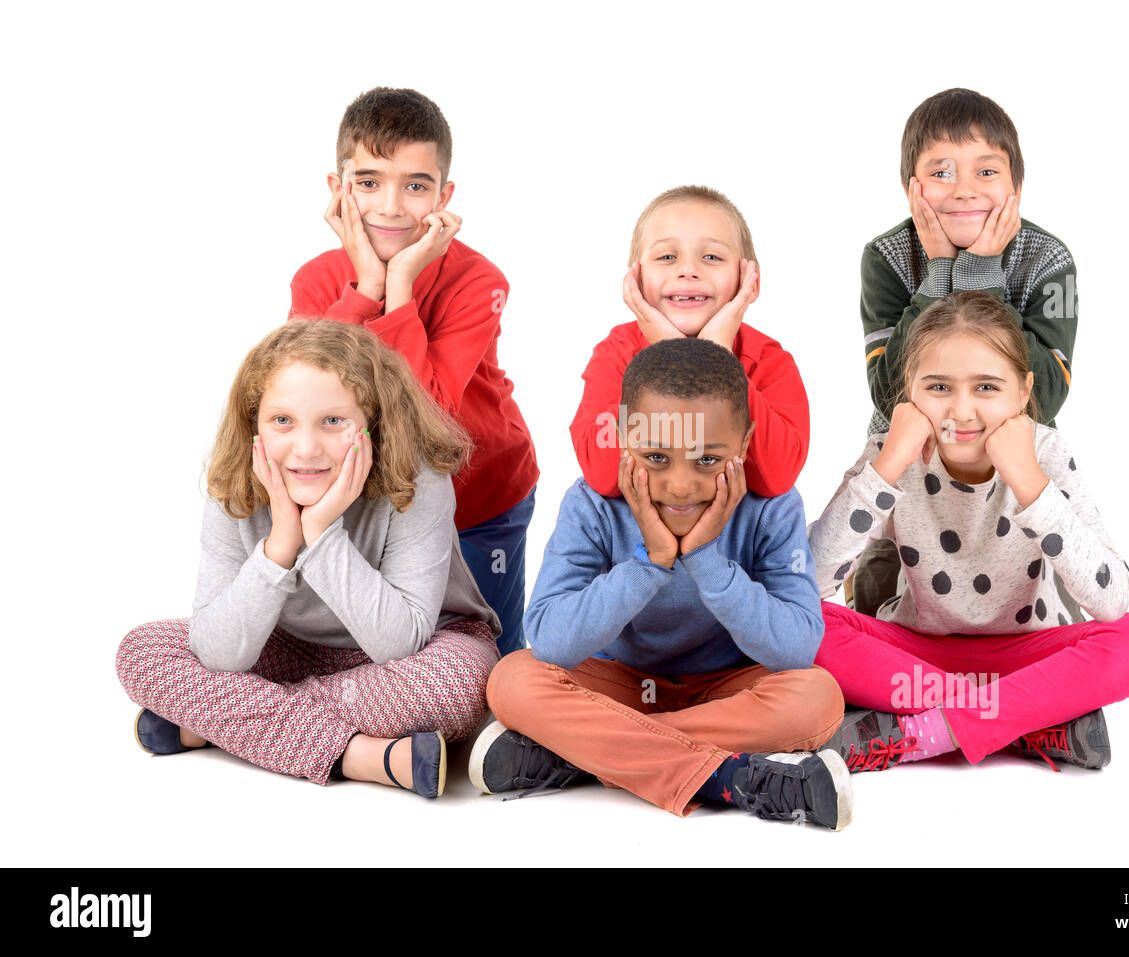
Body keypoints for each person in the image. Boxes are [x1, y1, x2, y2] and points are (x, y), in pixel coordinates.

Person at [473, 338, 852, 829]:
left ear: (743, 445)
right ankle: (725, 777)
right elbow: (548, 638)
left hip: (727, 690)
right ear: (623, 438)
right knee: (512, 680)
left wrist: (706, 560)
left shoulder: (772, 507)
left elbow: (796, 647)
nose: (680, 485)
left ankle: (580, 754)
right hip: (621, 683)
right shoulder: (592, 504)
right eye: (655, 456)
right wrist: (648, 564)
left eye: (707, 460)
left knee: (817, 697)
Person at [116, 320, 501, 798]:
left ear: (373, 423)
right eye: (282, 421)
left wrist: (320, 532)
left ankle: (216, 725)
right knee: (143, 651)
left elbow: (400, 643)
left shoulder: (417, 479)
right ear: (254, 424)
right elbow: (218, 653)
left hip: (418, 649)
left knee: (462, 684)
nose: (306, 449)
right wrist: (281, 543)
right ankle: (362, 756)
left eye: (333, 421)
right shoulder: (234, 484)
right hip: (289, 649)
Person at [808, 291, 1129, 773]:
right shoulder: (889, 452)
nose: (962, 410)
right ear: (909, 389)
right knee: (797, 625)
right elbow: (810, 585)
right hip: (918, 658)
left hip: (1027, 658)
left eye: (986, 388)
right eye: (938, 387)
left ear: (1023, 392)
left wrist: (1031, 483)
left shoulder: (1045, 453)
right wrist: (887, 466)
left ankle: (922, 733)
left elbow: (1112, 600)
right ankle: (1028, 721)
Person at [289, 86, 537, 655]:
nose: (391, 206)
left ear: (444, 197)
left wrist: (398, 285)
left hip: (482, 498)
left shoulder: (480, 281)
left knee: (491, 653)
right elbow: (307, 397)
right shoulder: (315, 282)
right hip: (373, 503)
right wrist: (365, 289)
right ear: (338, 189)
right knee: (388, 646)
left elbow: (430, 417)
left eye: (416, 186)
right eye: (369, 182)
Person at [854, 88, 1080, 620]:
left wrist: (980, 275)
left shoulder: (1050, 259)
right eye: (941, 172)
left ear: (1016, 186)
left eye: (986, 171)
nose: (963, 190)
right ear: (911, 188)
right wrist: (936, 276)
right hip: (909, 459)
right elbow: (889, 396)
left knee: (1056, 582)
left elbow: (1045, 395)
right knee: (875, 583)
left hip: (1011, 460)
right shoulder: (885, 258)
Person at [570, 185, 810, 499]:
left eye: (711, 256)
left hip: (732, 524)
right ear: (636, 279)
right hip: (638, 522)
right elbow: (602, 477)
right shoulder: (616, 352)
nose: (688, 270)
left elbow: (777, 478)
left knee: (785, 505)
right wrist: (670, 356)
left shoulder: (769, 361)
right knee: (580, 498)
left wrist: (716, 360)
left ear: (749, 281)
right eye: (667, 256)